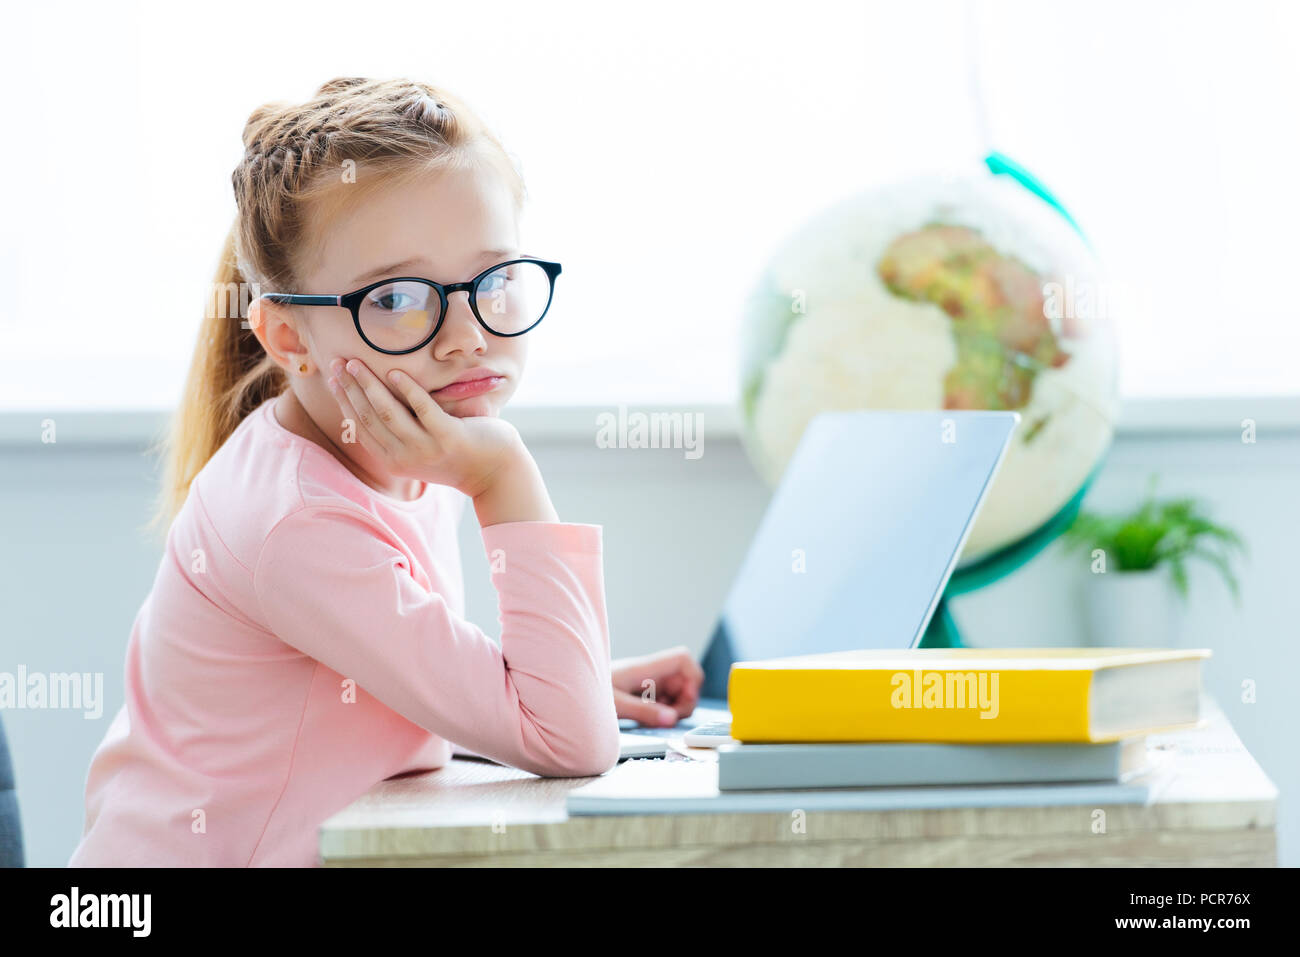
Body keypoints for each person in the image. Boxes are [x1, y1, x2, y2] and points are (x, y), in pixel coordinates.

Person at [69, 77, 702, 867]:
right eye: (399, 297)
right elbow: (569, 743)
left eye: (495, 280)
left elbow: (377, 689)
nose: (466, 336)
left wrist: (556, 681)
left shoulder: (390, 452)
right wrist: (504, 474)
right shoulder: (297, 520)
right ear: (287, 336)